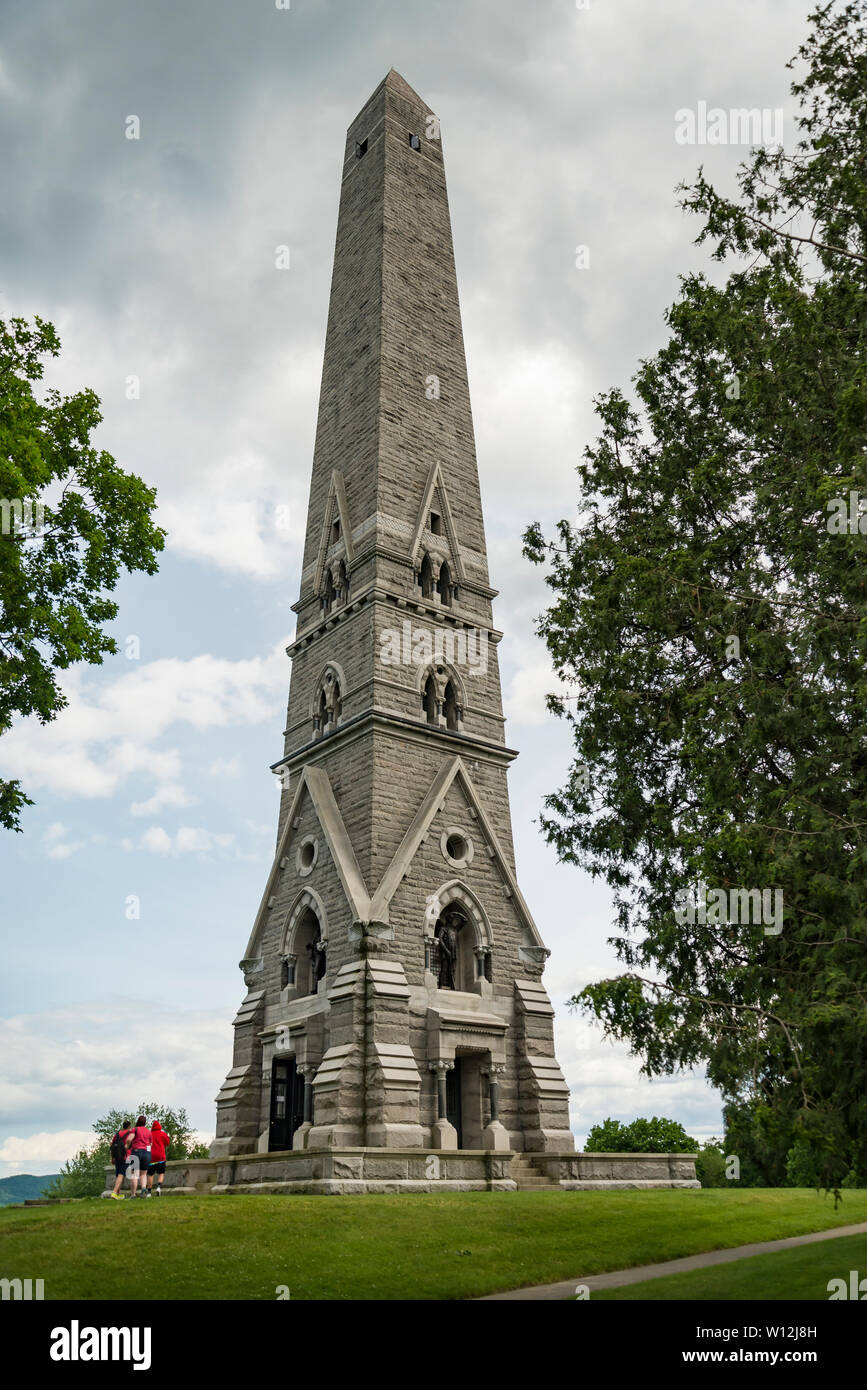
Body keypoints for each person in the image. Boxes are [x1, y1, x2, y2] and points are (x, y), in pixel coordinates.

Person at [109, 1119, 134, 1199]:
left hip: (117, 1157)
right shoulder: (130, 1133)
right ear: (129, 1126)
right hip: (125, 1156)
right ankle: (114, 1192)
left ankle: (118, 1195)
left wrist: (112, 1157)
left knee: (118, 1175)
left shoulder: (117, 1134)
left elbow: (112, 1146)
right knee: (121, 1175)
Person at [128, 1115, 152, 1197]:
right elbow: (150, 1143)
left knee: (134, 1174)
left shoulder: (135, 1129)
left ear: (138, 1121)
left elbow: (129, 1139)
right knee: (143, 1174)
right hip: (146, 1153)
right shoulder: (148, 1131)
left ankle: (133, 1194)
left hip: (136, 1152)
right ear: (145, 1122)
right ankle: (143, 1191)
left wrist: (128, 1146)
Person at [146, 1121, 171, 1194]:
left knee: (150, 1175)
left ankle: (149, 1193)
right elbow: (167, 1142)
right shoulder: (162, 1134)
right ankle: (158, 1187)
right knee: (161, 1173)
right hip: (161, 1157)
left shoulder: (149, 1135)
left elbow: (147, 1145)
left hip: (151, 1158)